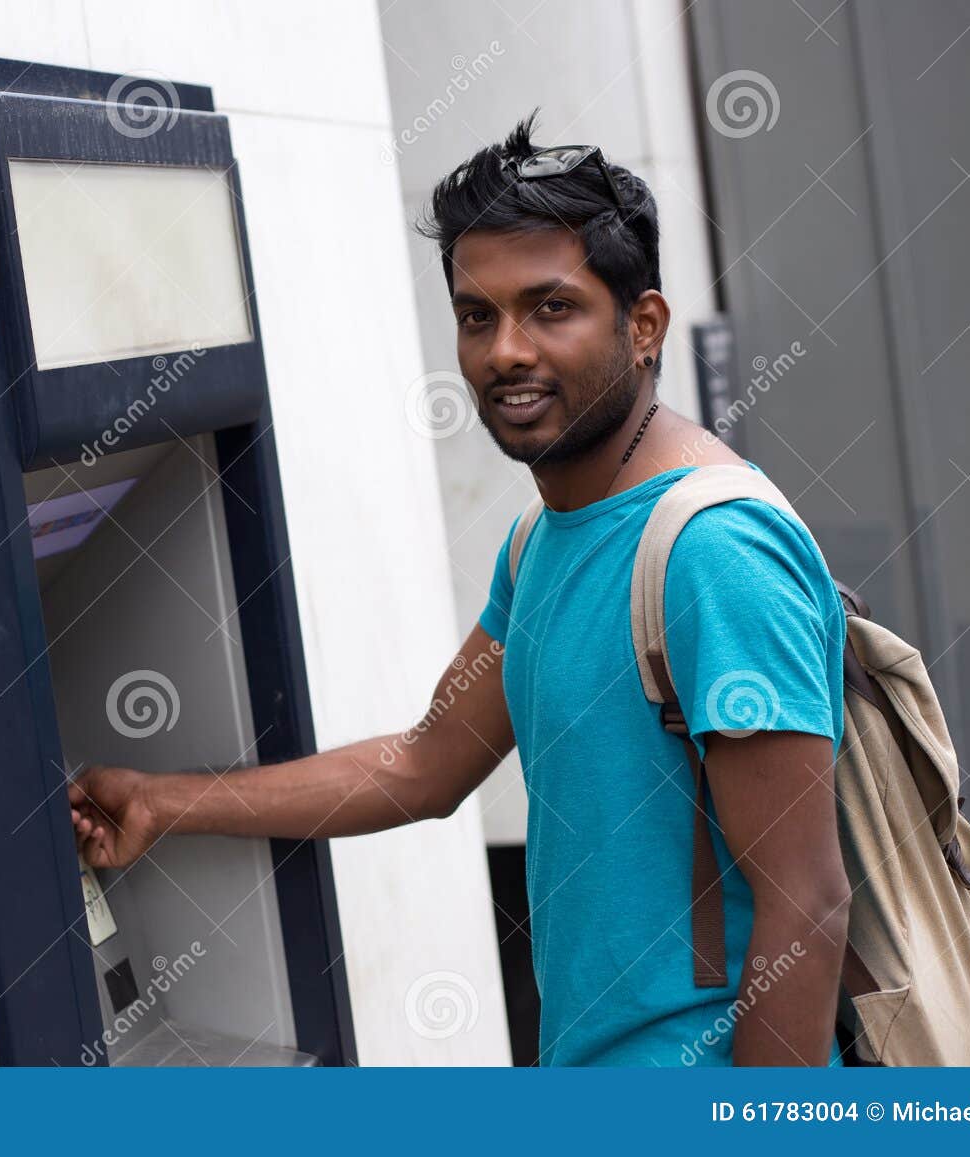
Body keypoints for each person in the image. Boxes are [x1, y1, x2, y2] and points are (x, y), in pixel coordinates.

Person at [69, 112, 850, 1067]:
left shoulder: (710, 551)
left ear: (642, 326)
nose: (506, 351)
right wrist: (162, 800)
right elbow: (424, 764)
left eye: (551, 307)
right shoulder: (539, 543)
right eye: (479, 316)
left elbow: (807, 904)